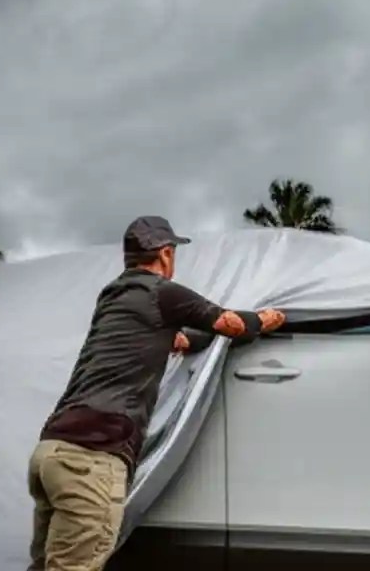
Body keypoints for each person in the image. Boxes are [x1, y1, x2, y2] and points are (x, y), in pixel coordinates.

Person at [27, 215, 285, 571]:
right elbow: (233, 325)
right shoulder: (163, 293)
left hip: (51, 453)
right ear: (166, 253)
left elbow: (178, 340)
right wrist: (266, 318)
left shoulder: (114, 298)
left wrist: (197, 338)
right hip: (91, 458)